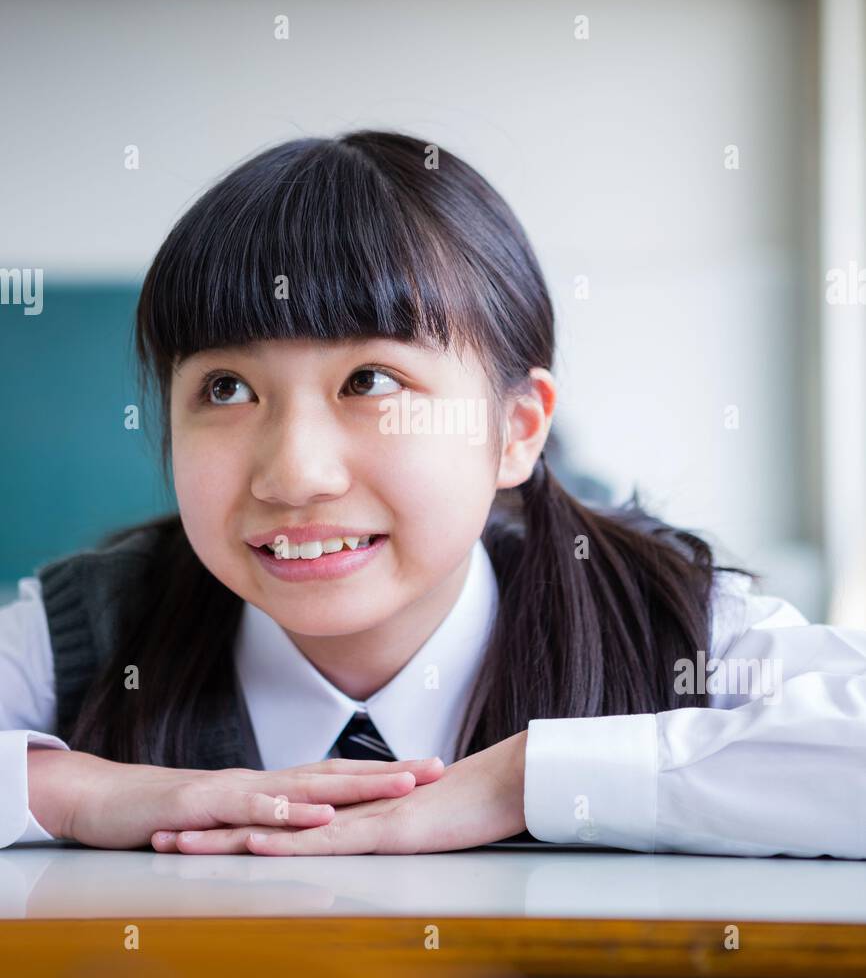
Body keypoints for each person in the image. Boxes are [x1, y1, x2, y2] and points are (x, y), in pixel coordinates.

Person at [1, 130, 864, 858]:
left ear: (519, 428)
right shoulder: (92, 625)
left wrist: (527, 780)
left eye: (371, 380)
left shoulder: (661, 619)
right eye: (226, 390)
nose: (294, 474)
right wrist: (63, 791)